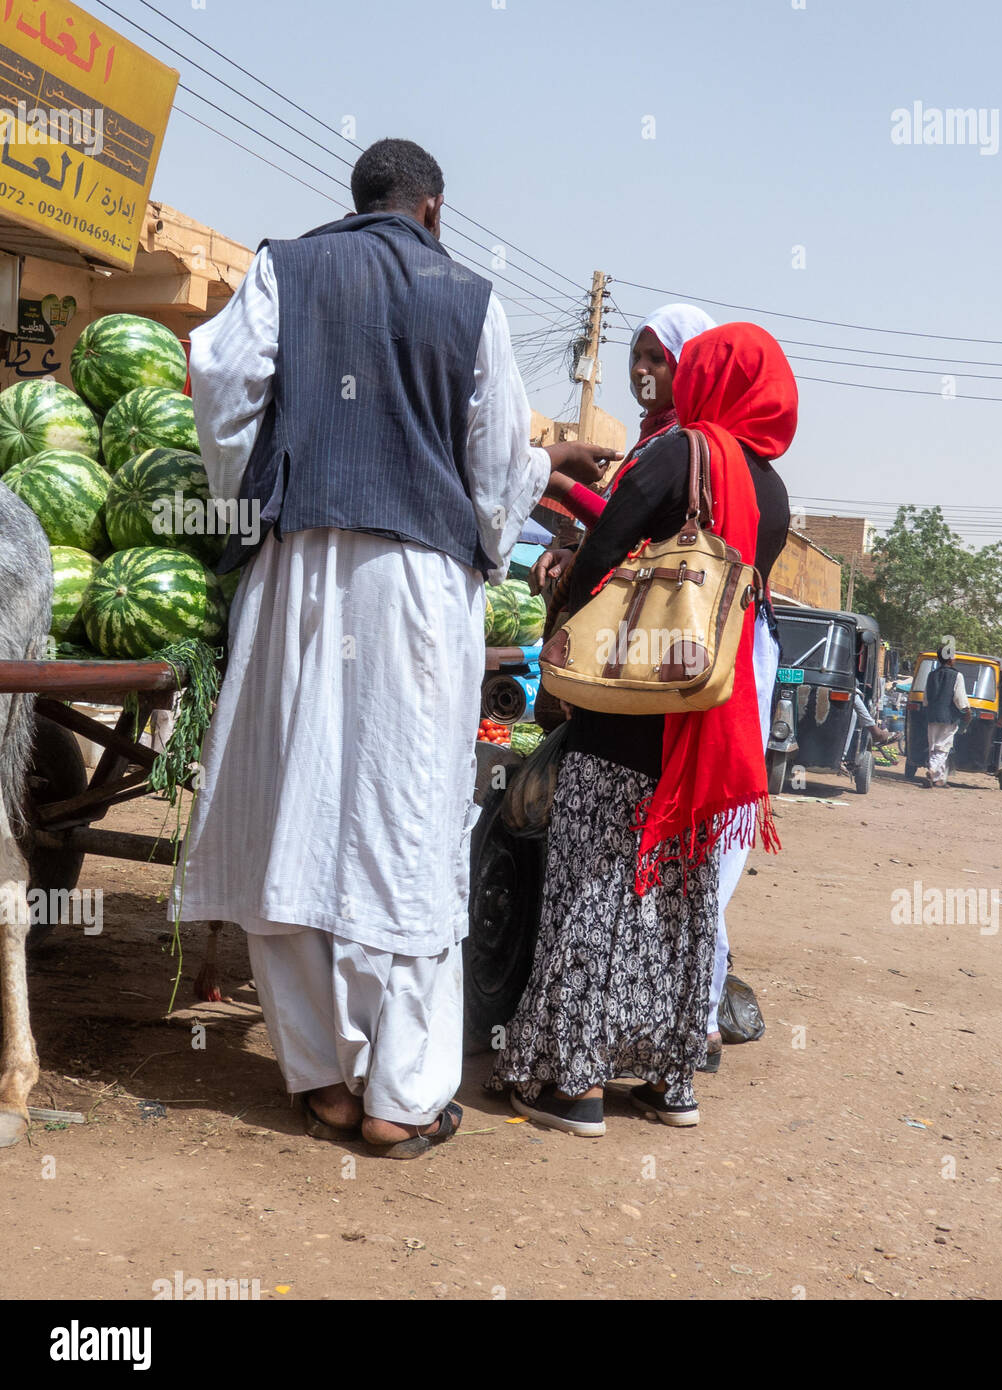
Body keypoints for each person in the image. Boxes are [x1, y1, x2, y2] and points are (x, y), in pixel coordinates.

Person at [169, 139, 613, 1158]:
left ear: (362, 202)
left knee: (290, 817)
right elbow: (499, 461)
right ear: (434, 210)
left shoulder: (287, 264)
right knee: (404, 832)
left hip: (297, 577)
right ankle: (401, 1100)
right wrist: (493, 532)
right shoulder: (470, 298)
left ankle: (322, 1079)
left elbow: (223, 382)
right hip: (415, 589)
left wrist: (257, 496)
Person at [490, 323, 796, 1135]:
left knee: (593, 883)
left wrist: (562, 614)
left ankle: (573, 1085)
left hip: (630, 710)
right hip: (707, 723)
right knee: (681, 899)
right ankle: (670, 1080)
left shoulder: (678, 453)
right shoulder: (772, 491)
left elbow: (600, 562)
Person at [532, 303, 717, 590]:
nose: (640, 369)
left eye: (656, 358)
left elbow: (623, 526)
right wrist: (574, 553)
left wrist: (556, 482)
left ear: (688, 367)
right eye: (636, 355)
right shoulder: (654, 436)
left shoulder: (683, 444)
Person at [923, 651, 970, 787]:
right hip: (949, 718)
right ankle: (932, 769)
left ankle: (938, 779)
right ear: (949, 659)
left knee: (933, 747)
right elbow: (960, 698)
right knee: (943, 747)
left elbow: (925, 698)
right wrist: (967, 710)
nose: (955, 659)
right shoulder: (957, 676)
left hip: (932, 715)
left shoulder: (931, 675)